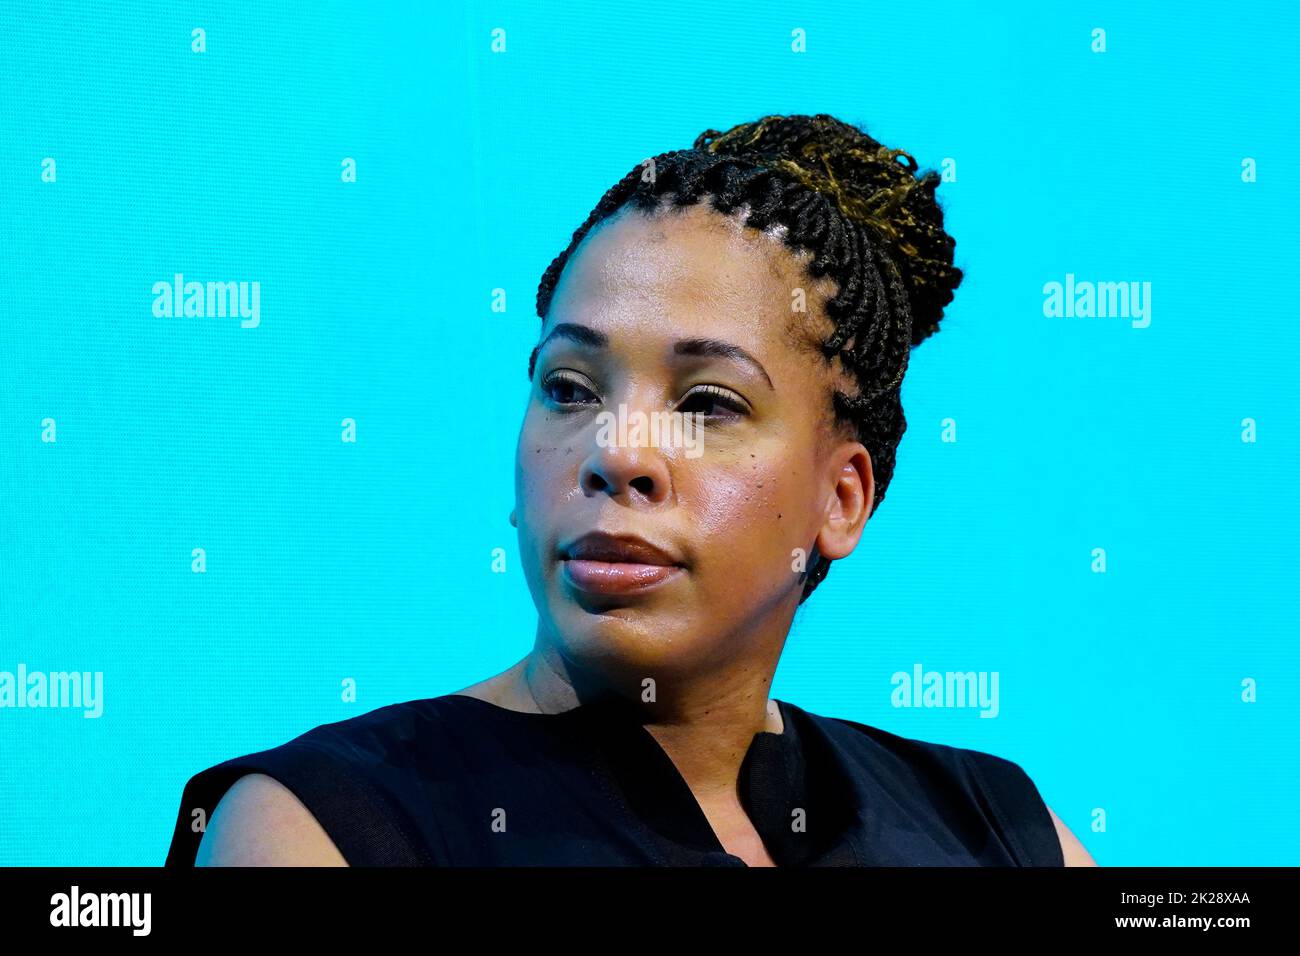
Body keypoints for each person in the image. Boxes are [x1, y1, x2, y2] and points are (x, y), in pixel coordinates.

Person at [166, 113, 1096, 867]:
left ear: (842, 499)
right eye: (569, 389)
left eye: (707, 402)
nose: (617, 453)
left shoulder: (998, 832)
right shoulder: (328, 826)